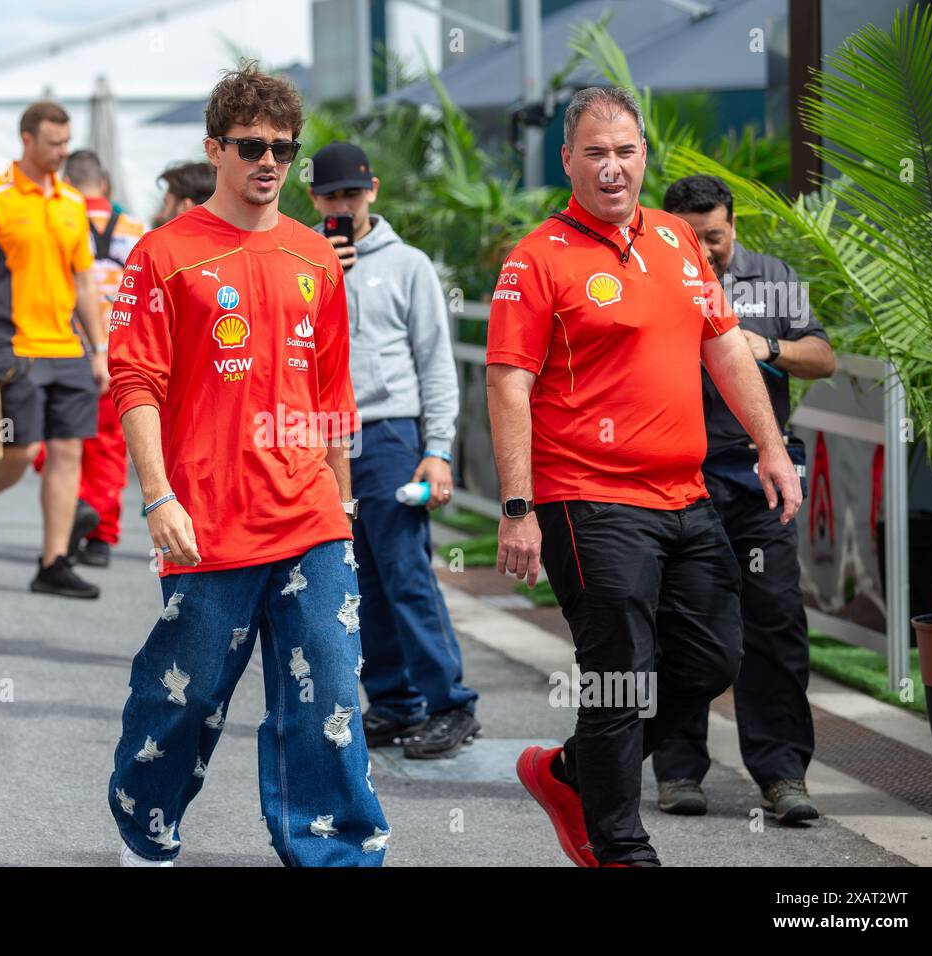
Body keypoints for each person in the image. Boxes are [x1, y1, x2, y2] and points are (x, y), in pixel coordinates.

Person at [486, 87, 802, 866]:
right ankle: (619, 843)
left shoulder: (675, 240)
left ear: (643, 157)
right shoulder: (536, 259)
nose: (612, 168)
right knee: (619, 674)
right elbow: (507, 383)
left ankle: (569, 773)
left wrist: (770, 445)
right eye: (595, 152)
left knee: (712, 658)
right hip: (586, 498)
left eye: (625, 152)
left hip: (686, 495)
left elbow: (724, 345)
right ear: (567, 160)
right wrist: (517, 507)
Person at [106, 64, 389, 866]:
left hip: (310, 517)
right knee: (188, 699)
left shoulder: (315, 257)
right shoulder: (163, 255)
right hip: (206, 522)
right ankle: (147, 824)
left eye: (283, 148)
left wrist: (343, 500)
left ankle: (334, 852)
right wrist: (158, 498)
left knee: (328, 697)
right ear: (215, 147)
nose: (270, 162)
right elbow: (136, 382)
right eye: (252, 146)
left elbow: (333, 390)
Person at [653, 174, 835, 824]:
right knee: (681, 623)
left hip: (759, 480)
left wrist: (770, 347)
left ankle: (783, 775)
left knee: (775, 622)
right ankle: (677, 769)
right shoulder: (654, 277)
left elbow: (824, 355)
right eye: (691, 239)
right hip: (679, 481)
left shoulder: (772, 277)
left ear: (733, 225)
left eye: (716, 237)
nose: (706, 251)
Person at [307, 140, 479, 759]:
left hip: (387, 433)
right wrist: (319, 274)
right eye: (331, 196)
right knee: (359, 578)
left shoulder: (409, 264)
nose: (342, 206)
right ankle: (396, 702)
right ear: (314, 199)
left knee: (406, 572)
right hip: (322, 436)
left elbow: (436, 363)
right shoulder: (300, 261)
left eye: (352, 194)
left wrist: (437, 450)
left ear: (372, 190)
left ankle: (449, 704)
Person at [0, 101, 108, 598]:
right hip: (14, 343)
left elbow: (84, 283)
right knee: (20, 452)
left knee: (67, 450)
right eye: (53, 143)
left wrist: (98, 348)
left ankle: (52, 563)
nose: (62, 152)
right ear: (27, 140)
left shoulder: (73, 203)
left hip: (68, 345)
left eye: (65, 142)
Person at [32, 149, 147, 568]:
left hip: (61, 349)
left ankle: (75, 507)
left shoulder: (57, 223)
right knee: (109, 449)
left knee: (53, 443)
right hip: (121, 353)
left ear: (65, 183)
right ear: (106, 185)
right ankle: (100, 536)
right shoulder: (137, 230)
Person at [154, 160, 216, 227]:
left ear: (185, 206)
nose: (158, 216)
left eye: (166, 203)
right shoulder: (226, 234)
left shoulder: (157, 237)